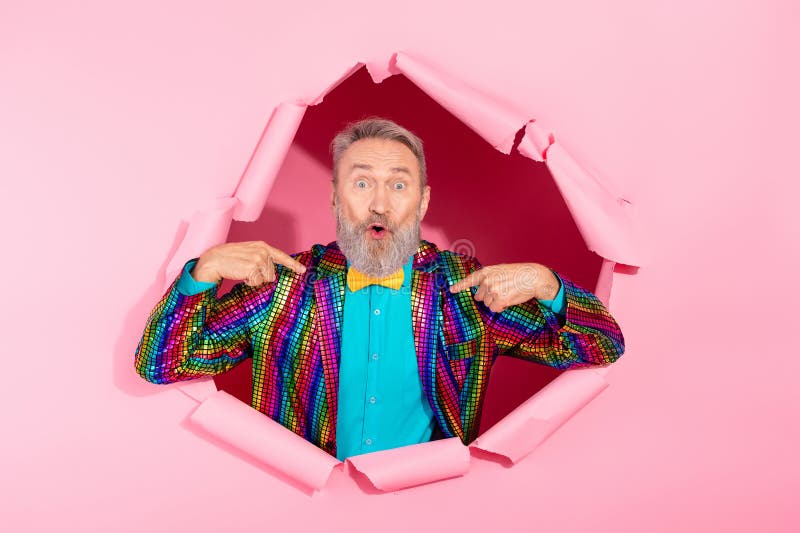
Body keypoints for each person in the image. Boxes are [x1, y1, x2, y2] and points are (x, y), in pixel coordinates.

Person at [134, 117, 625, 461]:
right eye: (362, 183)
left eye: (398, 185)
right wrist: (203, 272)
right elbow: (161, 364)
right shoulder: (283, 288)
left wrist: (545, 282)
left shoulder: (465, 294)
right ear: (335, 198)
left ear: (423, 202)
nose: (380, 205)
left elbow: (603, 345)